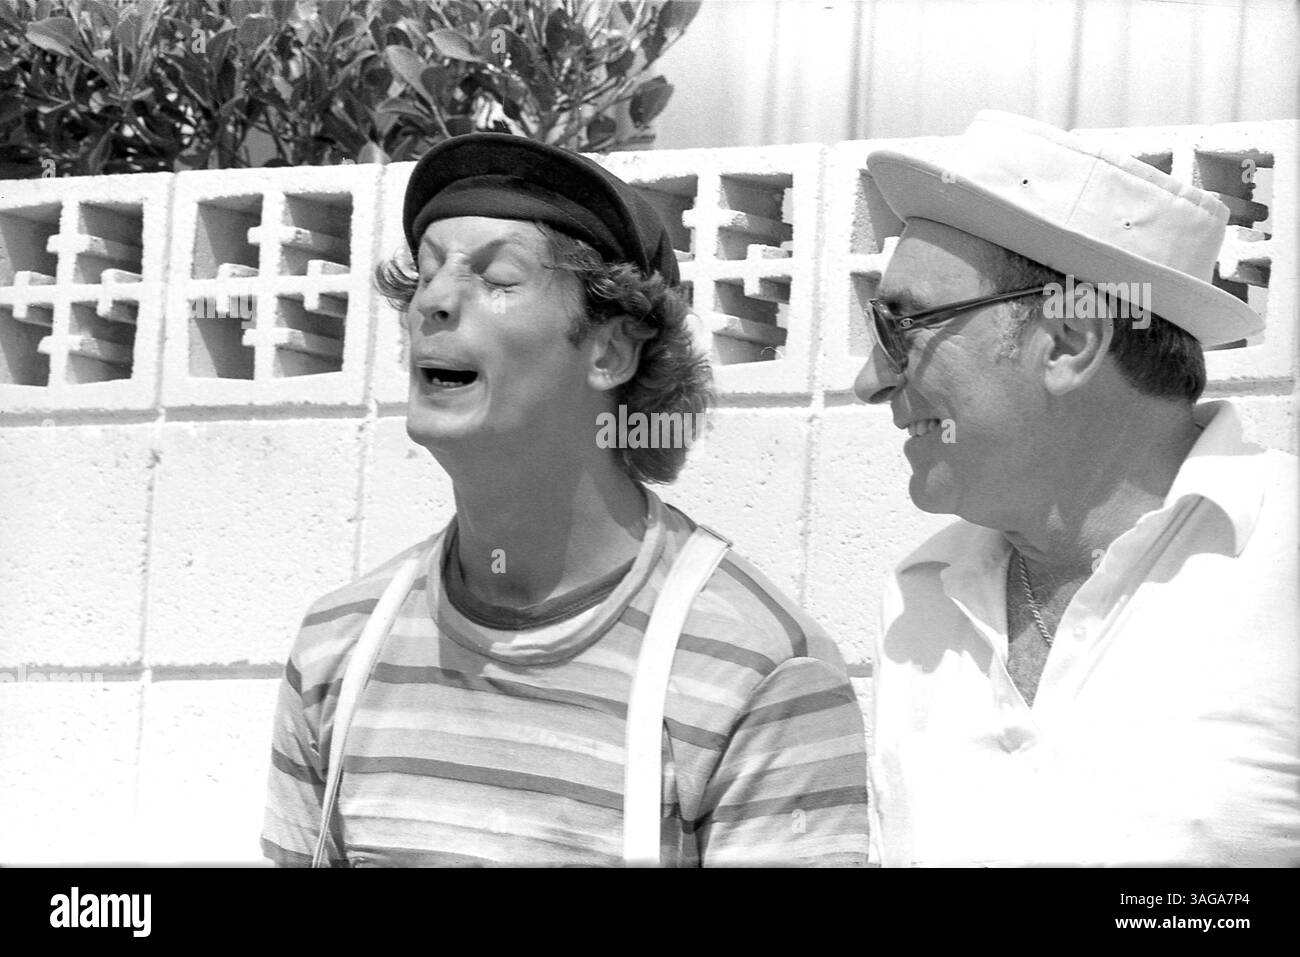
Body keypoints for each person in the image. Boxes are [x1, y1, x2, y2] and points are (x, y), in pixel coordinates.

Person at [261, 133, 868, 866]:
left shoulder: (759, 672)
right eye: (425, 274)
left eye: (500, 278)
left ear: (611, 350)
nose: (436, 302)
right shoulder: (338, 647)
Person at [854, 111, 1298, 866]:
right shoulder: (922, 598)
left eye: (904, 326)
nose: (870, 380)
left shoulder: (1283, 561)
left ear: (1067, 342)